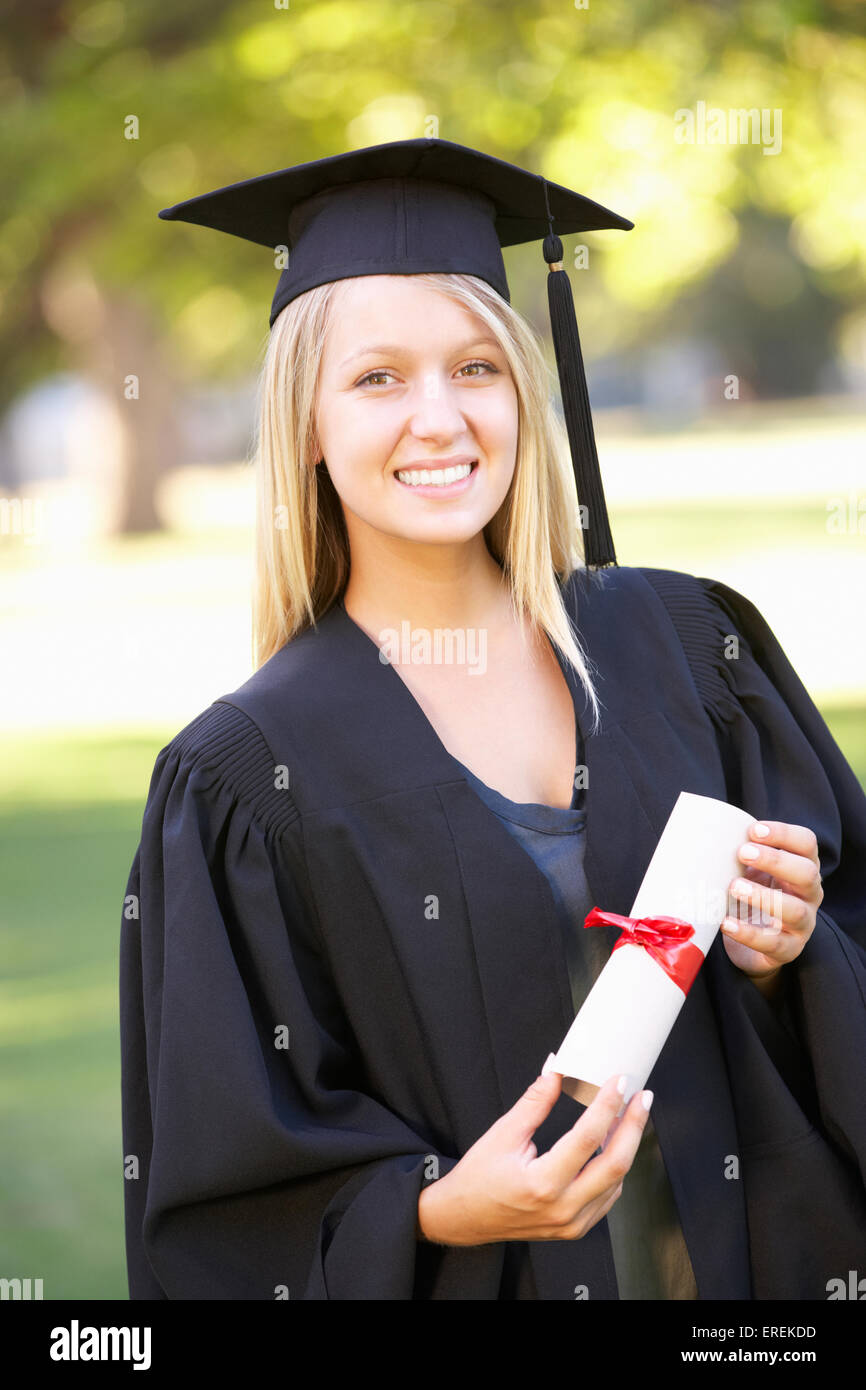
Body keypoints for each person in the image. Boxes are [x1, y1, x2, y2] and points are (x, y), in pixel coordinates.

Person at [119, 138, 866, 1301]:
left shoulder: (683, 645)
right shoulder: (246, 780)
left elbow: (849, 937)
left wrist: (788, 958)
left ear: (524, 382)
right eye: (377, 378)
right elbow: (220, 1194)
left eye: (475, 366)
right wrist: (431, 1210)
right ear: (304, 423)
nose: (439, 418)